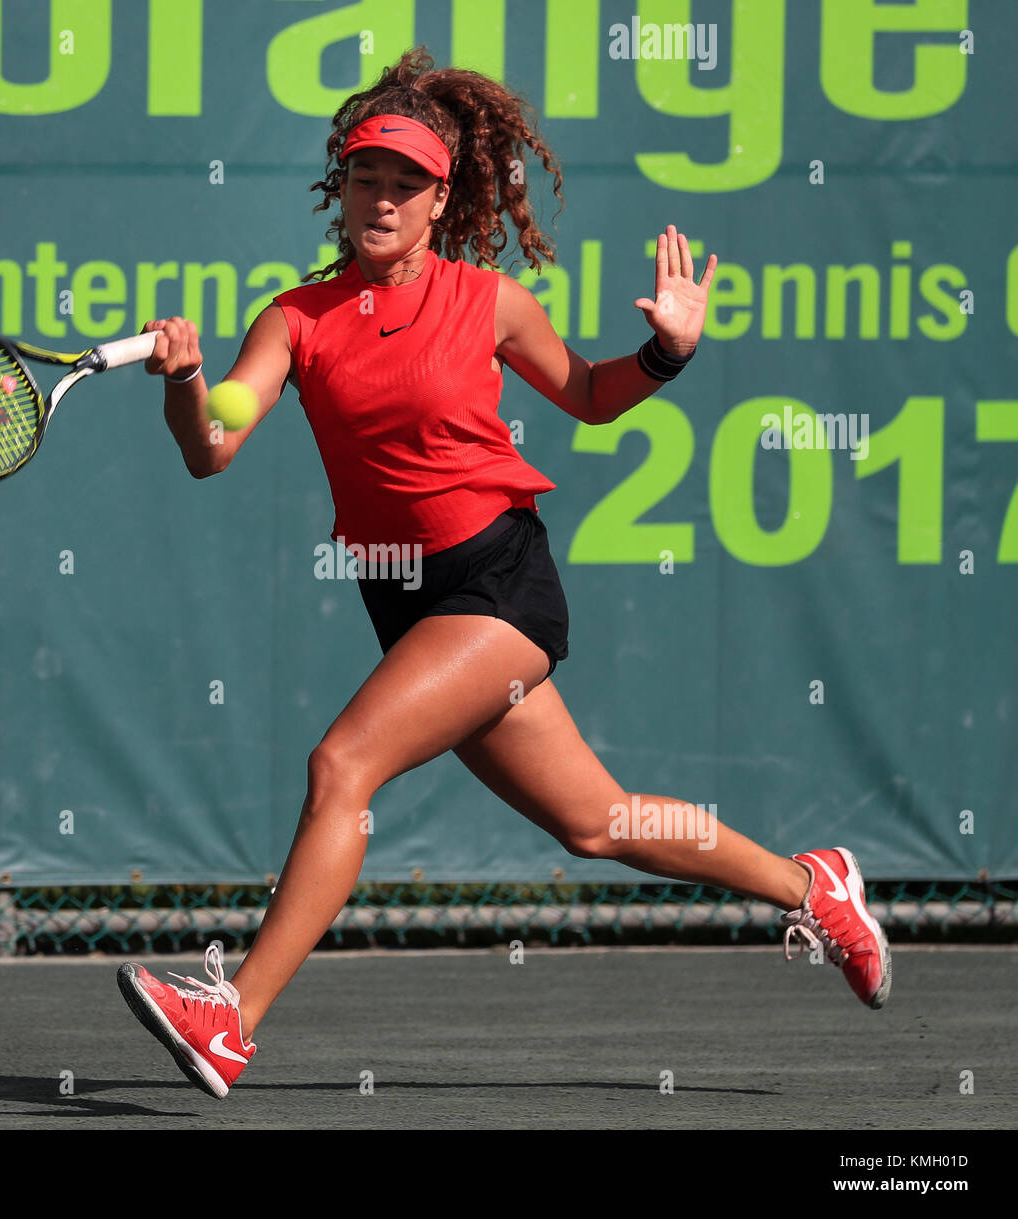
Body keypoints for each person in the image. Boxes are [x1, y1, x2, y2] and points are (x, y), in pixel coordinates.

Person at [116, 47, 890, 1100]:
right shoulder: (292, 322)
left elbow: (590, 395)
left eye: (404, 182)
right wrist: (189, 379)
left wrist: (665, 354)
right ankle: (814, 884)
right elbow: (215, 440)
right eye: (363, 176)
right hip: (408, 604)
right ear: (337, 189)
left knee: (342, 764)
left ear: (442, 199)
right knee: (600, 821)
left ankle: (231, 1016)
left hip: (496, 588)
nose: (380, 197)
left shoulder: (487, 303)